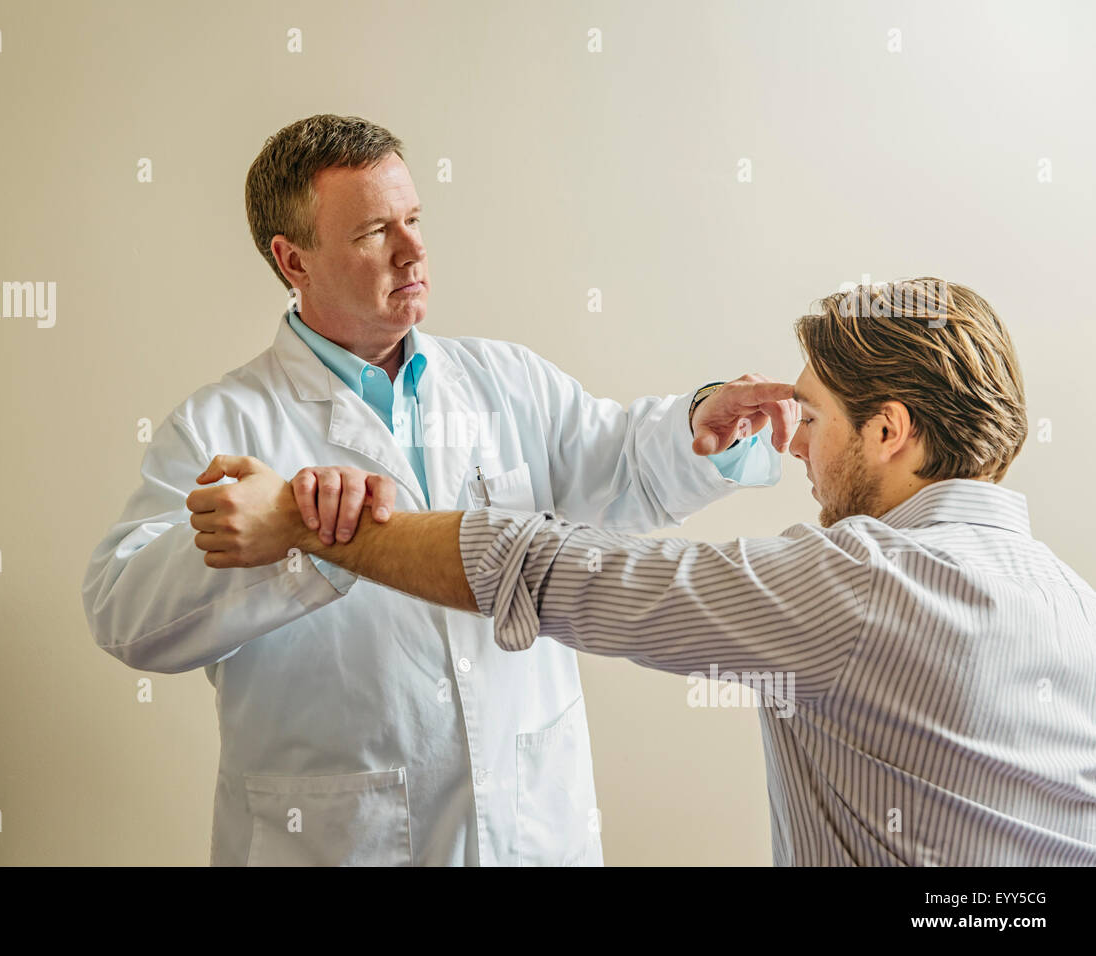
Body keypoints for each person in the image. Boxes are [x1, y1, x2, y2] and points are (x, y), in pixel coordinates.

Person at [80, 113, 796, 865]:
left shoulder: (504, 379)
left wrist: (697, 422)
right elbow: (124, 613)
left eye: (415, 219)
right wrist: (292, 532)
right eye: (373, 232)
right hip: (336, 842)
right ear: (294, 260)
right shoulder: (221, 425)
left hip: (530, 829)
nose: (414, 249)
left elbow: (619, 462)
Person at [214, 277, 1096, 865]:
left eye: (816, 417)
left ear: (889, 431)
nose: (796, 444)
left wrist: (310, 522)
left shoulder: (861, 584)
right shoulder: (1073, 604)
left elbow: (554, 571)